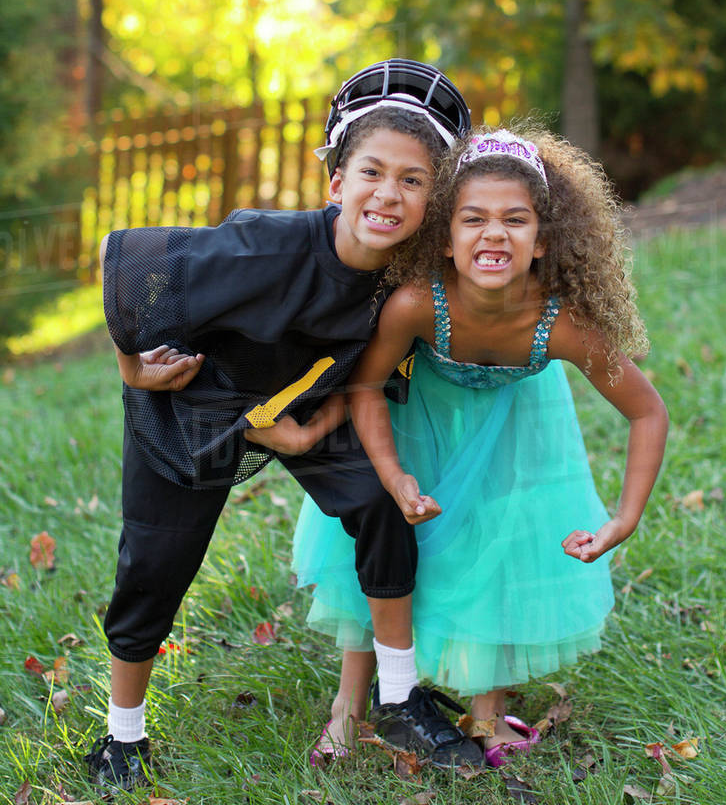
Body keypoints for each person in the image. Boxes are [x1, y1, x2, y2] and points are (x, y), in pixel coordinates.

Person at [85, 60, 488, 791]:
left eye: (413, 179)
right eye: (371, 172)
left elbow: (363, 370)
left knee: (380, 500)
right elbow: (124, 260)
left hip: (302, 406)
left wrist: (305, 431)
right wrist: (130, 365)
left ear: (435, 200)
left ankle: (397, 694)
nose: (388, 194)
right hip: (197, 406)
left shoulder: (402, 279)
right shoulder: (263, 248)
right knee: (156, 564)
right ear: (337, 182)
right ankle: (122, 734)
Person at [292, 125, 669, 766]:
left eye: (515, 220)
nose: (494, 234)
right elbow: (365, 388)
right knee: (380, 546)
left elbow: (647, 413)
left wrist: (625, 517)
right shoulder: (416, 303)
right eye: (473, 219)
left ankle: (487, 714)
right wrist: (391, 475)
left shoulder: (562, 324)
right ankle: (349, 705)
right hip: (418, 422)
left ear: (543, 240)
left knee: (508, 543)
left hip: (515, 428)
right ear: (444, 235)